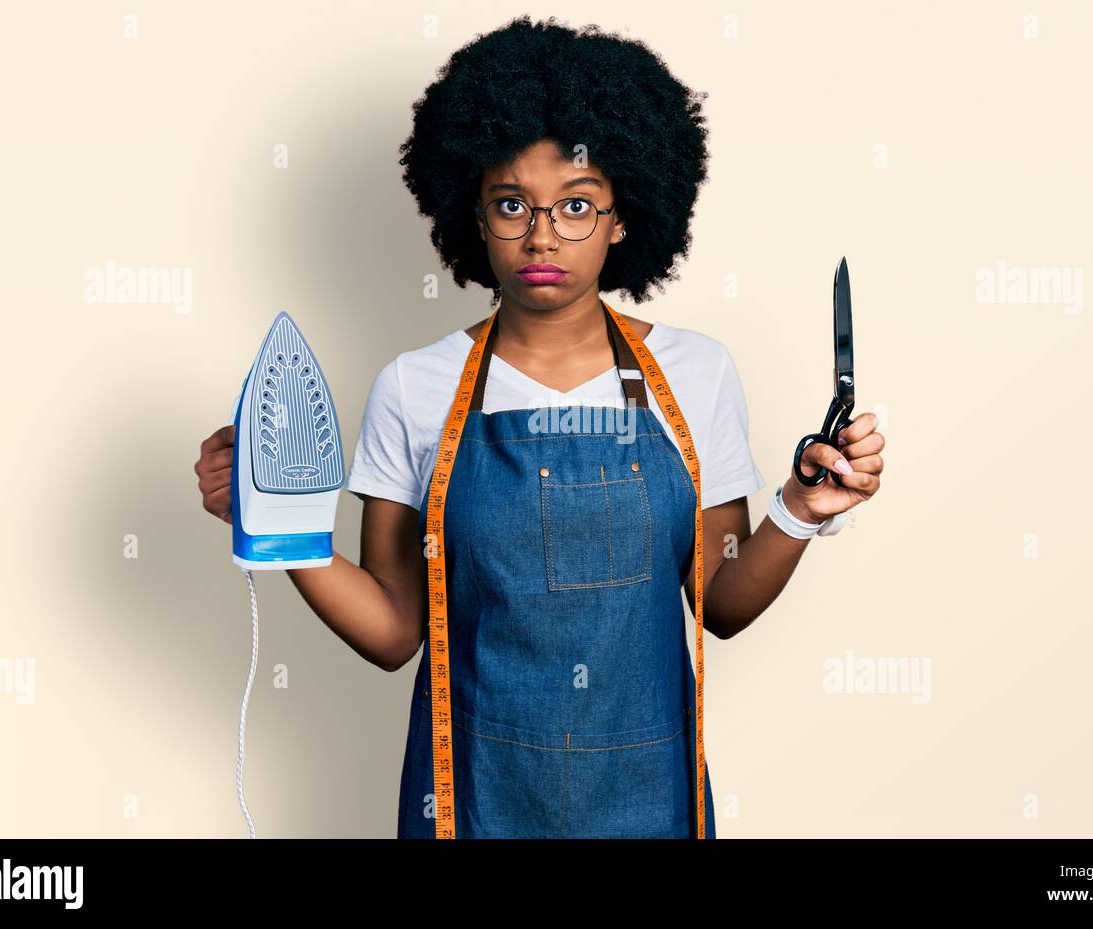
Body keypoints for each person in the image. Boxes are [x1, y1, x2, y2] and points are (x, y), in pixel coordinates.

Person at [194, 15, 885, 838]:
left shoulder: (697, 375)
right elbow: (392, 631)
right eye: (513, 204)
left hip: (649, 801)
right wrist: (278, 529)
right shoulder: (415, 388)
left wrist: (800, 511)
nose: (543, 235)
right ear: (474, 215)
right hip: (473, 802)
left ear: (625, 218)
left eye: (578, 206)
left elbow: (721, 602)